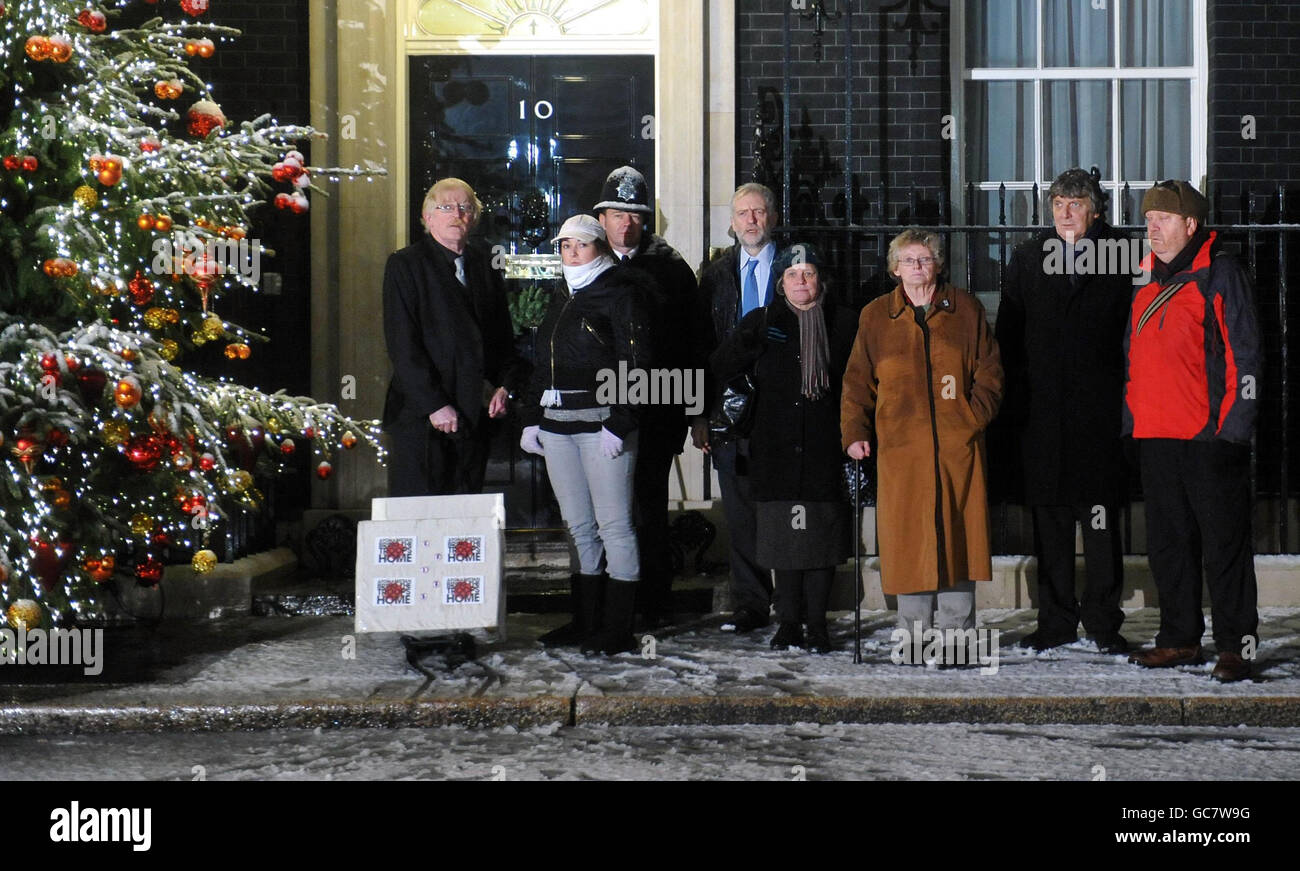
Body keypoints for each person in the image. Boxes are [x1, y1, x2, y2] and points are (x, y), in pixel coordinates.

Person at [841, 228, 1003, 661]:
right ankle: (913, 639)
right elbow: (857, 382)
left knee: (957, 539)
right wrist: (855, 433)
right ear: (895, 270)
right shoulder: (876, 316)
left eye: (925, 259)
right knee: (909, 541)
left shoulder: (965, 310)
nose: (917, 267)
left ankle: (956, 639)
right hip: (901, 452)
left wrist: (969, 419)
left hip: (957, 450)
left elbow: (989, 375)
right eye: (908, 260)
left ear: (938, 265)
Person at [1124, 180, 1261, 683]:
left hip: (1210, 440)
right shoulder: (1145, 279)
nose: (1153, 228)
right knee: (1168, 546)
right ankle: (1179, 640)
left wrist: (1234, 430)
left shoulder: (1220, 273)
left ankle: (1236, 647)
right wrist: (1131, 420)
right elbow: (1132, 357)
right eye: (1148, 219)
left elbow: (1245, 355)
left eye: (1163, 219)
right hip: (1156, 438)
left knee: (1223, 547)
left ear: (1191, 224)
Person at [996, 168, 1131, 654]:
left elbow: (1132, 335)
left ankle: (1102, 620)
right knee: (1050, 526)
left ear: (1095, 209)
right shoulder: (1029, 258)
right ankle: (1055, 620)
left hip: (1099, 416)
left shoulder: (1122, 256)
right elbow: (1008, 338)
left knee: (1098, 524)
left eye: (1075, 203)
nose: (1065, 212)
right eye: (1057, 203)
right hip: (1043, 418)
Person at [519, 214, 655, 656]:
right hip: (558, 426)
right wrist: (531, 416)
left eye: (580, 245)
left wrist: (622, 420)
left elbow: (639, 361)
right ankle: (586, 620)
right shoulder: (561, 294)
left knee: (614, 525)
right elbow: (543, 360)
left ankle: (618, 627)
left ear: (599, 248)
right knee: (579, 526)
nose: (571, 253)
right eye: (564, 246)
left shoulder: (622, 292)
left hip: (602, 426)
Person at [711, 244, 856, 653]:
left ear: (820, 279)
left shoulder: (843, 323)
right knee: (784, 543)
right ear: (780, 283)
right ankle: (788, 622)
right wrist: (751, 346)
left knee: (820, 543)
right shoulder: (763, 320)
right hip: (774, 450)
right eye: (793, 275)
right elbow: (722, 366)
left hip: (825, 449)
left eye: (808, 273)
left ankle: (818, 625)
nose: (801, 282)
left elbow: (860, 380)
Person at [594, 166, 707, 628]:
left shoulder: (671, 268)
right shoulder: (583, 257)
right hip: (597, 409)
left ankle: (652, 604)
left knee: (648, 509)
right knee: (603, 509)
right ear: (601, 216)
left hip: (658, 408)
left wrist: (696, 411)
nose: (626, 223)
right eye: (617, 214)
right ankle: (605, 603)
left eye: (635, 215)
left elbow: (696, 342)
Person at [381, 178, 522, 496]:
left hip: (474, 417)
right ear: (427, 216)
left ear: (474, 217)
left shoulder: (484, 266)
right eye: (445, 207)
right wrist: (435, 405)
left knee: (464, 520)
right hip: (422, 419)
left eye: (465, 207)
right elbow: (403, 344)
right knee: (422, 519)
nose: (456, 213)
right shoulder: (405, 265)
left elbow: (501, 338)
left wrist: (505, 386)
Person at [697, 183, 780, 633]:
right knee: (740, 508)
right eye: (743, 212)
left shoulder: (795, 266)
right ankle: (751, 602)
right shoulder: (714, 276)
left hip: (782, 405)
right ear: (732, 222)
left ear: (772, 217)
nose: (751, 219)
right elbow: (700, 346)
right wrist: (700, 415)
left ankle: (791, 599)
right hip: (729, 410)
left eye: (759, 211)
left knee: (782, 504)